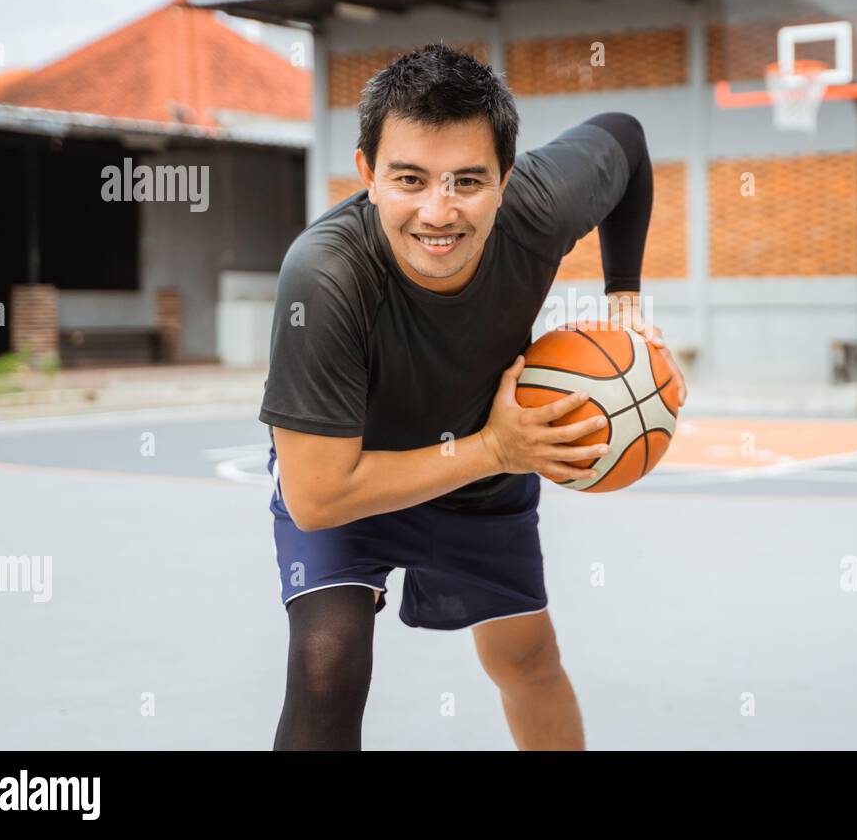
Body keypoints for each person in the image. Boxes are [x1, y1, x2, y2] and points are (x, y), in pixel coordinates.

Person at [261, 43, 687, 750]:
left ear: (506, 179)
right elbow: (316, 496)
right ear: (367, 174)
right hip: (359, 465)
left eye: (467, 181)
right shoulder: (324, 278)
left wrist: (625, 304)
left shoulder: (538, 208)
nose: (438, 210)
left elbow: (626, 137)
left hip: (486, 476)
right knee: (326, 662)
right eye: (410, 179)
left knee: (525, 658)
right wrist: (496, 446)